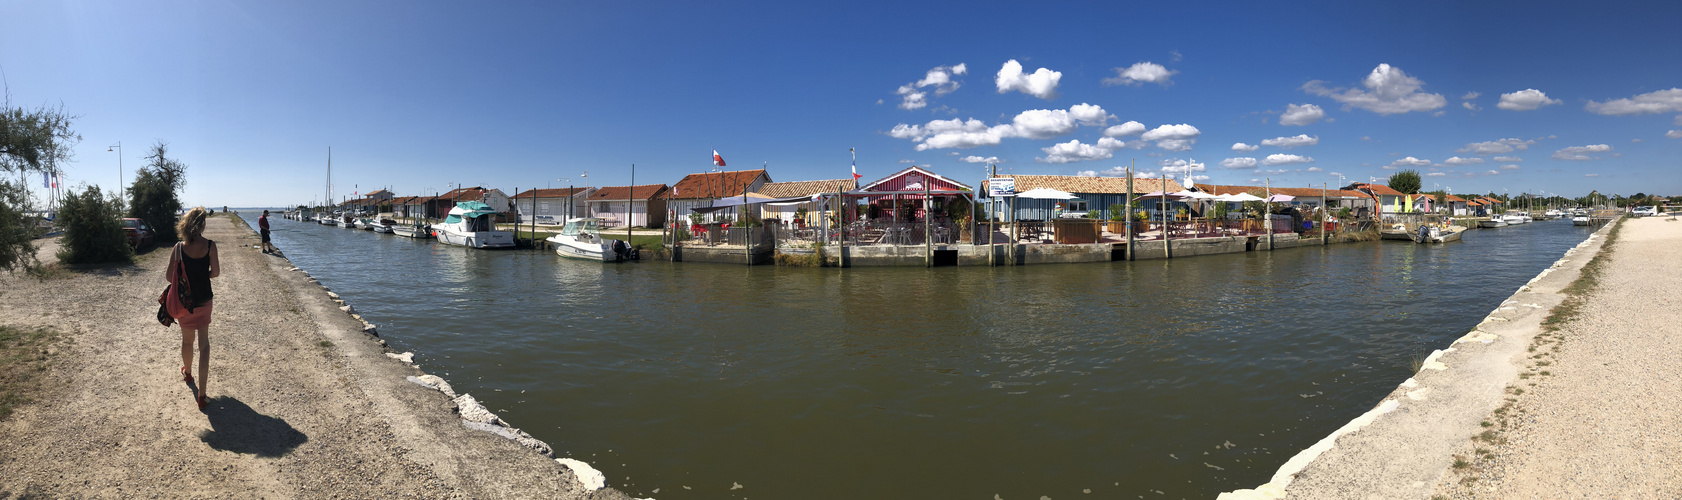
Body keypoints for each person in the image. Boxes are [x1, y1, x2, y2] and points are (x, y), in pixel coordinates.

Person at [169, 207, 220, 411]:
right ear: (202, 225)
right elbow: (215, 273)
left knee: (186, 341)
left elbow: (168, 277)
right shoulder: (210, 246)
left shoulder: (178, 248)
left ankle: (188, 373)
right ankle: (203, 395)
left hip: (185, 303)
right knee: (204, 345)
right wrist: (202, 276)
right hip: (204, 301)